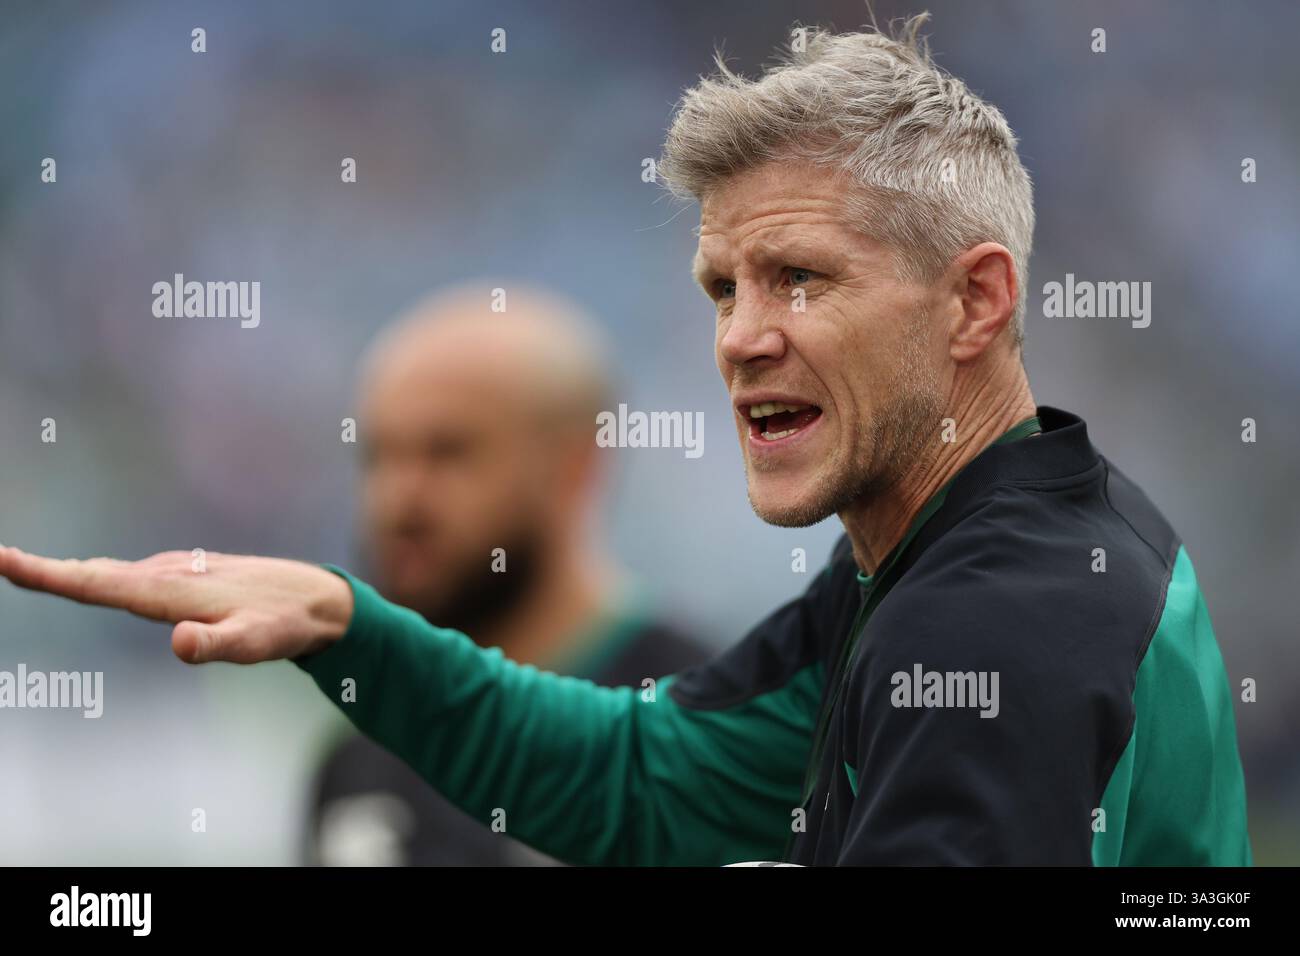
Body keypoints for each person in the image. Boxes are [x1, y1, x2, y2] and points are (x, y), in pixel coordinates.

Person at [0, 16, 1250, 865]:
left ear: (976, 300)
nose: (742, 338)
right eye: (722, 287)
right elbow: (646, 775)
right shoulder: (947, 557)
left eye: (800, 277)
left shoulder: (991, 620)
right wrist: (349, 626)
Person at [308, 286, 708, 866]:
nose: (399, 500)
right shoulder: (362, 755)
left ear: (575, 467)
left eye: (447, 452)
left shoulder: (701, 722)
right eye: (378, 455)